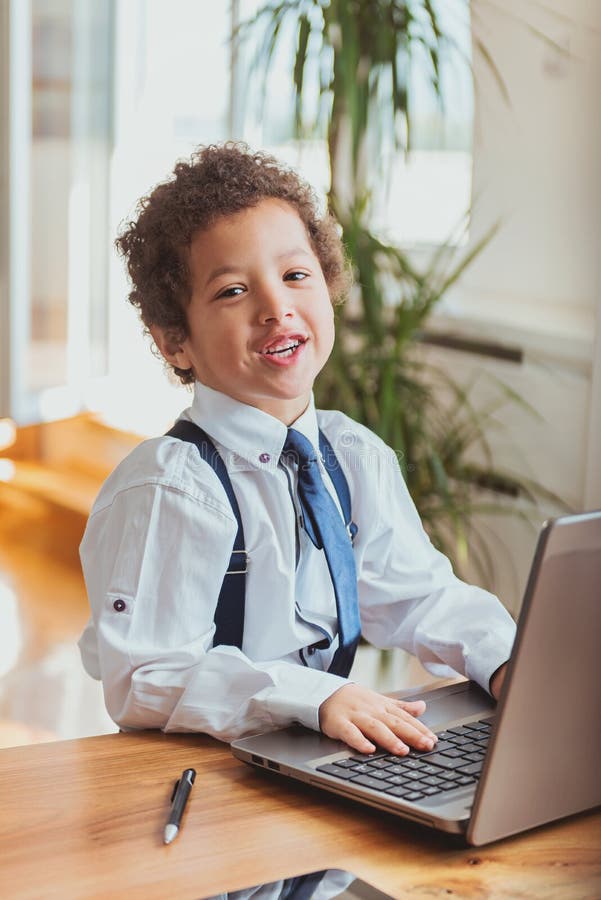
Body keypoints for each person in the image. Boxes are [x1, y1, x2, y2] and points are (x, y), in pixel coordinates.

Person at [78, 142, 515, 757]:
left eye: (294, 275)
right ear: (176, 341)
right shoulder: (169, 488)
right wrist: (312, 695)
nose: (276, 307)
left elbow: (421, 596)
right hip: (199, 778)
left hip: (314, 763)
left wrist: (507, 663)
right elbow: (144, 679)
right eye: (232, 291)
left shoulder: (354, 455)